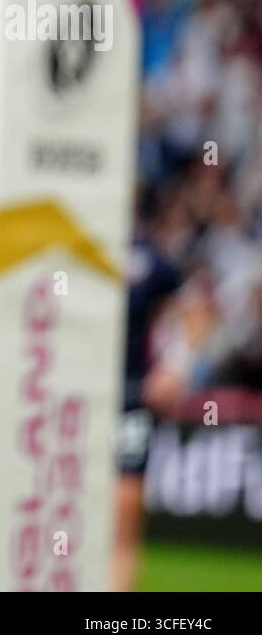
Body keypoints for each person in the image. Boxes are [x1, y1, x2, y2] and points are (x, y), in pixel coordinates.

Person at [112, 234, 183, 591]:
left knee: (123, 510)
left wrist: (173, 363)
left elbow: (180, 311)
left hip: (127, 397)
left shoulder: (146, 257)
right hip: (64, 398)